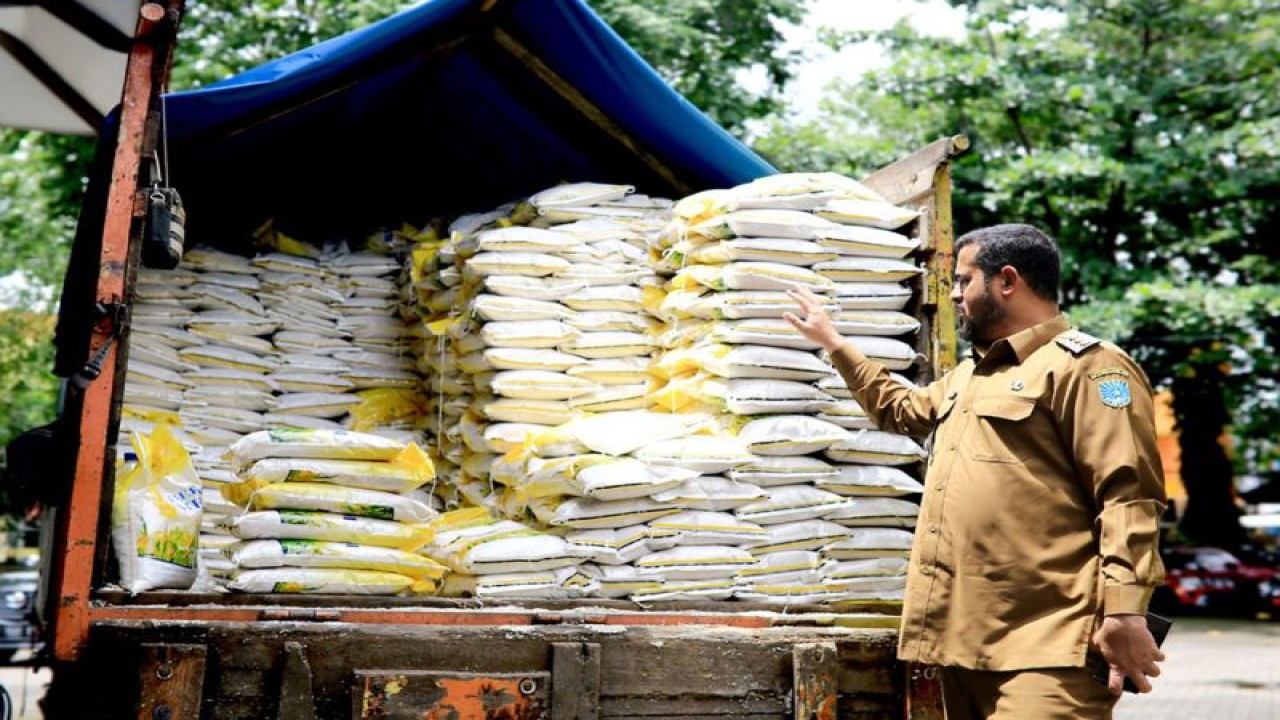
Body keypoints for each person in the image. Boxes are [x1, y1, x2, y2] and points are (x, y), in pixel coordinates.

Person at [784, 223, 1167, 719]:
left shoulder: (1088, 368)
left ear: (1007, 280)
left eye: (964, 281)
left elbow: (1127, 495)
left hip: (1049, 644)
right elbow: (899, 410)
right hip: (963, 645)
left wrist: (1125, 609)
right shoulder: (970, 376)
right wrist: (834, 343)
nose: (958, 296)